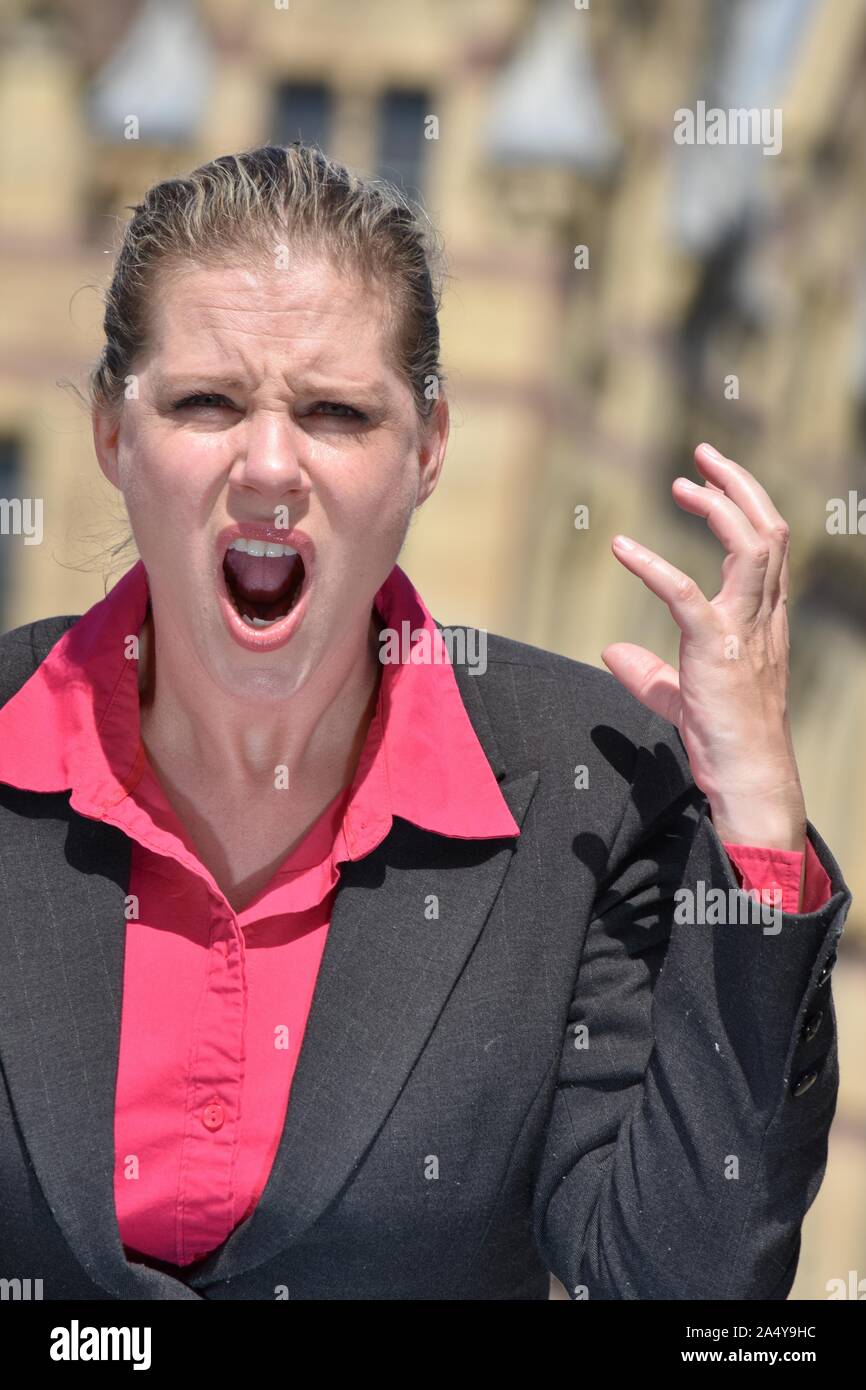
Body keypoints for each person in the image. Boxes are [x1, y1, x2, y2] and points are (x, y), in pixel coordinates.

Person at [0, 143, 850, 1301]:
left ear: (428, 448)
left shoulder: (593, 791)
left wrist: (753, 823)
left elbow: (682, 1288)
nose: (267, 463)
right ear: (111, 431)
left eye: (336, 411)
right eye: (206, 400)